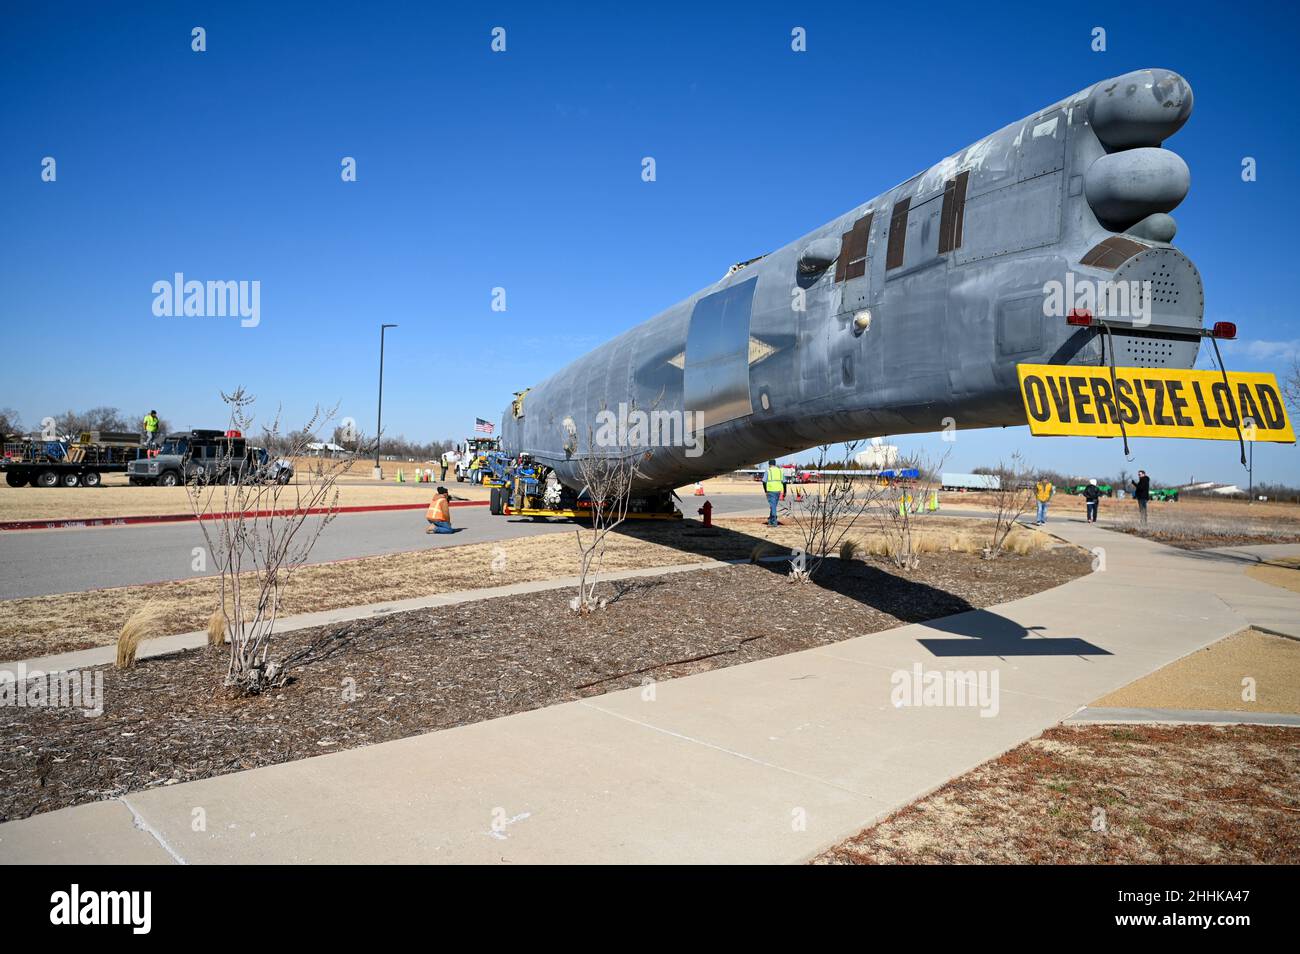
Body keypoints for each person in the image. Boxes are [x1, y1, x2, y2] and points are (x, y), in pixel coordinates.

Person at [763, 458, 785, 527]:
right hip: (778, 491)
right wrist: (785, 491)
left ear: (769, 464)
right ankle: (770, 521)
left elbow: (764, 481)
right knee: (773, 506)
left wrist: (765, 490)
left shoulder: (768, 471)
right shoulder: (780, 471)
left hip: (770, 490)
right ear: (775, 464)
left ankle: (774, 523)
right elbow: (784, 482)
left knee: (773, 507)